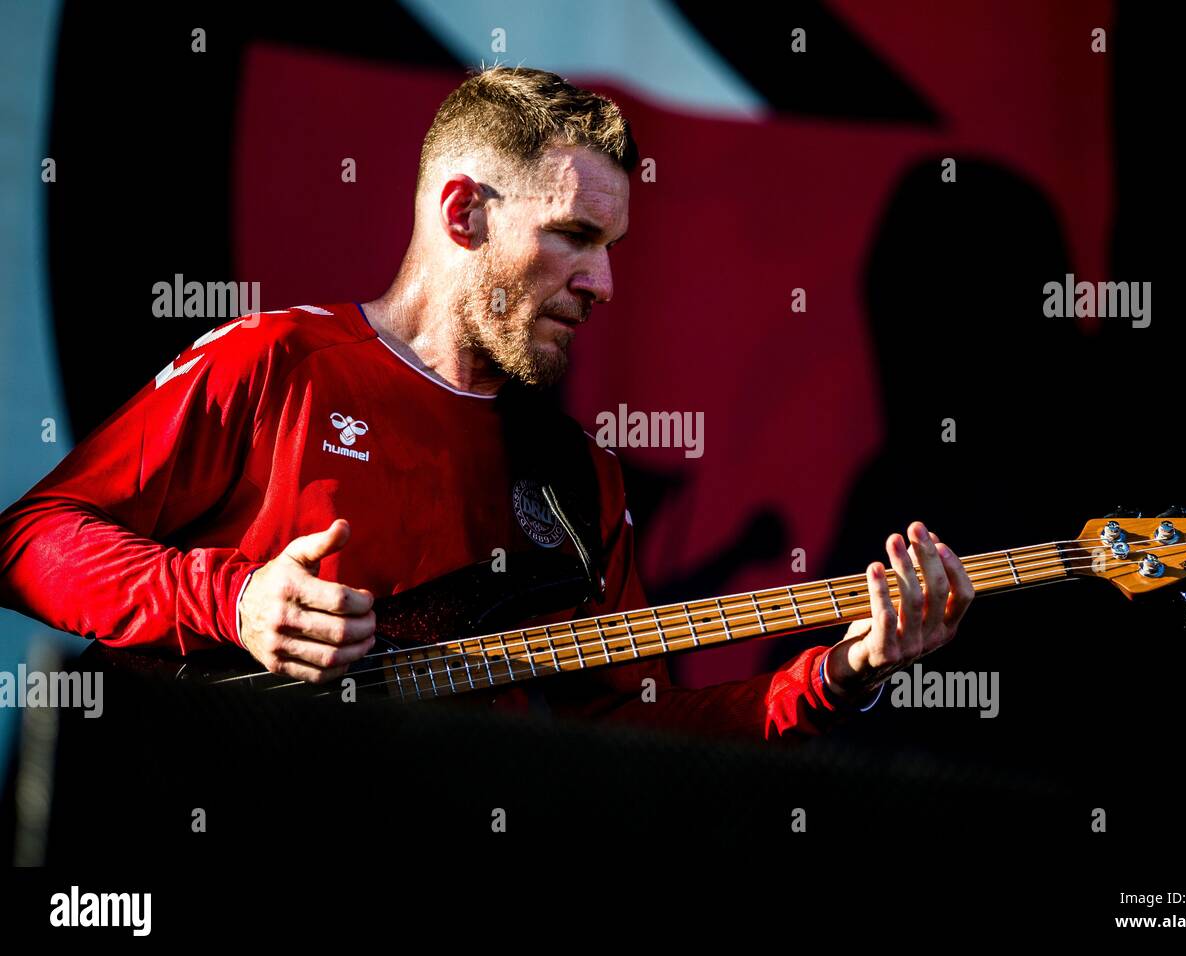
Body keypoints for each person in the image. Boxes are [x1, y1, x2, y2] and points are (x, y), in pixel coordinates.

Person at [0, 66, 972, 742]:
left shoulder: (577, 477)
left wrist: (837, 676)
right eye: (574, 235)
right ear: (463, 212)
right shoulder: (276, 363)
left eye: (612, 248)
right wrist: (234, 598)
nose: (601, 283)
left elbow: (629, 734)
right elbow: (29, 539)